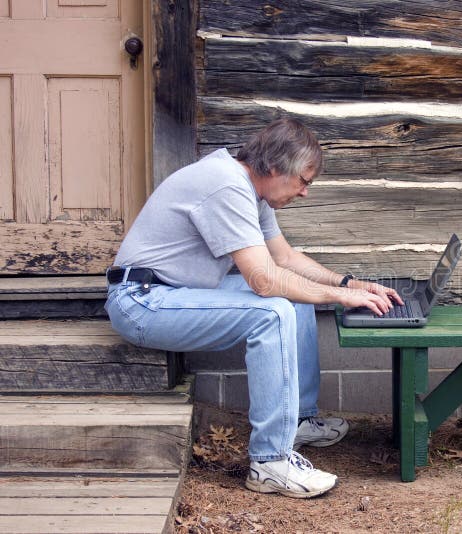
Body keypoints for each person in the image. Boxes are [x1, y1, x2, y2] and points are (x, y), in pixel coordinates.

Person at [105, 118, 403, 498]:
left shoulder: (250, 189)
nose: (305, 193)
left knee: (294, 301)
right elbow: (263, 280)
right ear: (276, 168)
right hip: (142, 302)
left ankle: (297, 421)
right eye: (304, 181)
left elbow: (286, 259)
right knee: (272, 310)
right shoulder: (226, 184)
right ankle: (270, 462)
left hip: (173, 292)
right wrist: (340, 298)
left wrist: (349, 284)